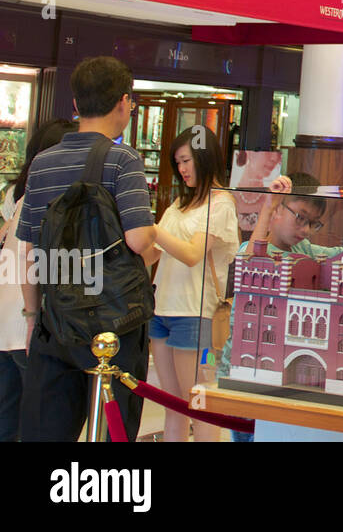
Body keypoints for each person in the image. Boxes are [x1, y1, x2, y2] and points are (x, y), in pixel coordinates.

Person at [16, 57, 158, 442]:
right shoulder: (122, 159)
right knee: (114, 427)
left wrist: (33, 319)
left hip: (57, 319)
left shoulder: (43, 163)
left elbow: (30, 251)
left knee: (47, 430)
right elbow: (139, 241)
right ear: (124, 103)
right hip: (116, 322)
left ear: (76, 104)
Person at [219, 170, 343, 441]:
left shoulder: (306, 251)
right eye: (300, 217)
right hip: (247, 375)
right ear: (277, 209)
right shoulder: (250, 249)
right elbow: (253, 261)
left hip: (285, 377)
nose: (305, 230)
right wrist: (269, 203)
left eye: (313, 223)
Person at [143, 125, 239, 442]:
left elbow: (191, 254)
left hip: (195, 314)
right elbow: (151, 257)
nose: (182, 169)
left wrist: (154, 230)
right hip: (162, 310)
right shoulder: (178, 206)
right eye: (178, 162)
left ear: (203, 157)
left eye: (186, 160)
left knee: (198, 405)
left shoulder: (221, 203)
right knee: (174, 406)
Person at [0, 118, 76, 442]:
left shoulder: (19, 198)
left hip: (7, 326)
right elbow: (40, 263)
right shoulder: (52, 200)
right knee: (41, 427)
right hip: (31, 329)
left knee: (8, 425)